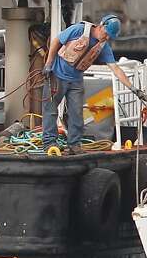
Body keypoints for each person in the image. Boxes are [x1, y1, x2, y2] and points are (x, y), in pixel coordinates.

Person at [39, 14, 133, 155]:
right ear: (101, 26)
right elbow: (57, 40)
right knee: (50, 109)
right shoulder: (79, 30)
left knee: (76, 113)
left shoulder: (103, 47)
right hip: (57, 75)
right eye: (106, 34)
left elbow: (115, 68)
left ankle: (74, 145)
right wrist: (48, 64)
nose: (106, 38)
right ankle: (49, 143)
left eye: (109, 37)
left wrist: (132, 87)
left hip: (76, 80)